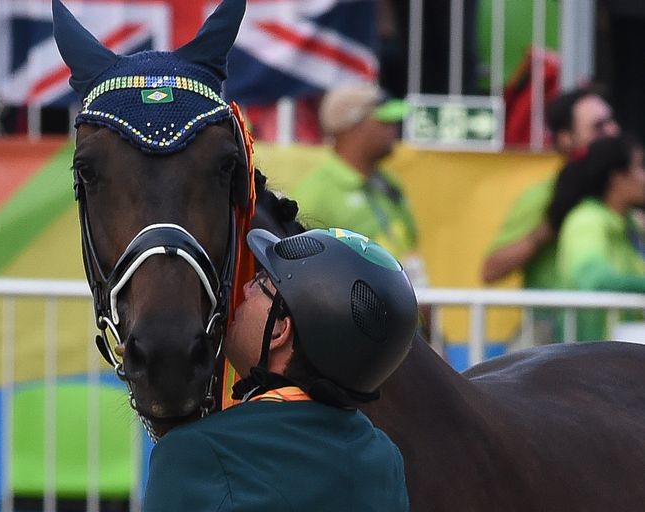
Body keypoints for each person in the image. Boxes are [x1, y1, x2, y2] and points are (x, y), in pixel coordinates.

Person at [142, 228, 417, 511]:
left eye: (261, 282)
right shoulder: (384, 459)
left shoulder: (194, 454)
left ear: (279, 330)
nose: (245, 290)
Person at [481, 88, 620, 341]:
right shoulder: (541, 196)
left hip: (611, 338)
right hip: (553, 343)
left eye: (612, 121)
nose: (612, 132)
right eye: (598, 126)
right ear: (566, 139)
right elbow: (491, 270)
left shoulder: (625, 195)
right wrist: (546, 231)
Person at [294, 84, 427, 289]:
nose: (395, 128)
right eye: (384, 120)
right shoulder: (315, 194)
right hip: (357, 314)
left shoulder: (390, 184)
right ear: (352, 127)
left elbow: (410, 249)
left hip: (403, 312)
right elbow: (299, 269)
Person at [547, 134, 645, 341]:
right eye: (640, 167)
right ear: (617, 177)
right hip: (590, 361)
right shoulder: (586, 221)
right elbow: (594, 279)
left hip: (624, 356)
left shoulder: (631, 224)